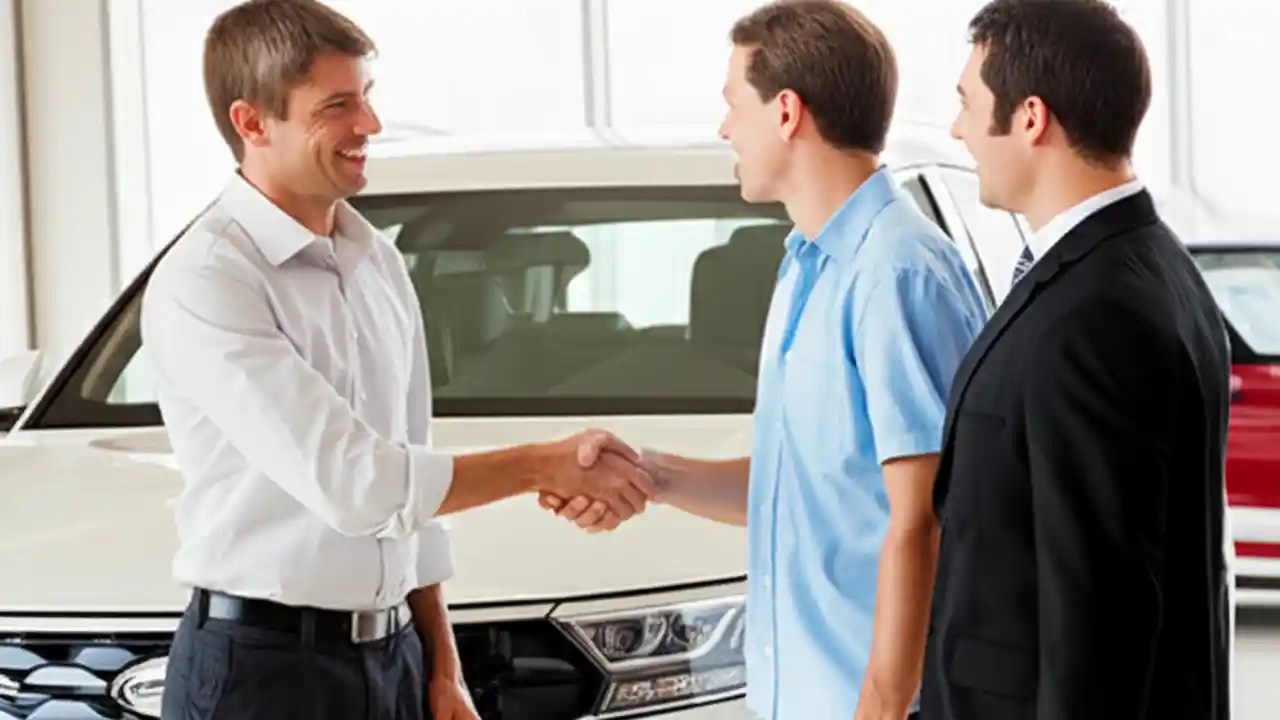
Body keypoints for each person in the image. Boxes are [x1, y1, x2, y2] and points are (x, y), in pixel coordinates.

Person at [140, 1, 653, 718]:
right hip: (262, 678)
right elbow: (360, 485)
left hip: (395, 660)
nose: (369, 126)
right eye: (338, 105)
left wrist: (444, 667)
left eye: (367, 98)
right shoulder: (210, 279)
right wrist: (543, 464)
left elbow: (408, 491)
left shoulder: (375, 260)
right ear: (252, 122)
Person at [543, 2, 988, 718]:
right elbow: (804, 485)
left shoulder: (895, 273)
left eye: (732, 103)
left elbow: (927, 519)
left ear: (786, 111)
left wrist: (881, 704)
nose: (725, 128)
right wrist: (650, 474)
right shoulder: (806, 264)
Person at [919, 2, 1234, 719]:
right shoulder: (1143, 265)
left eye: (967, 102)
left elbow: (1099, 610)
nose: (958, 129)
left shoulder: (1096, 313)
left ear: (1031, 118)